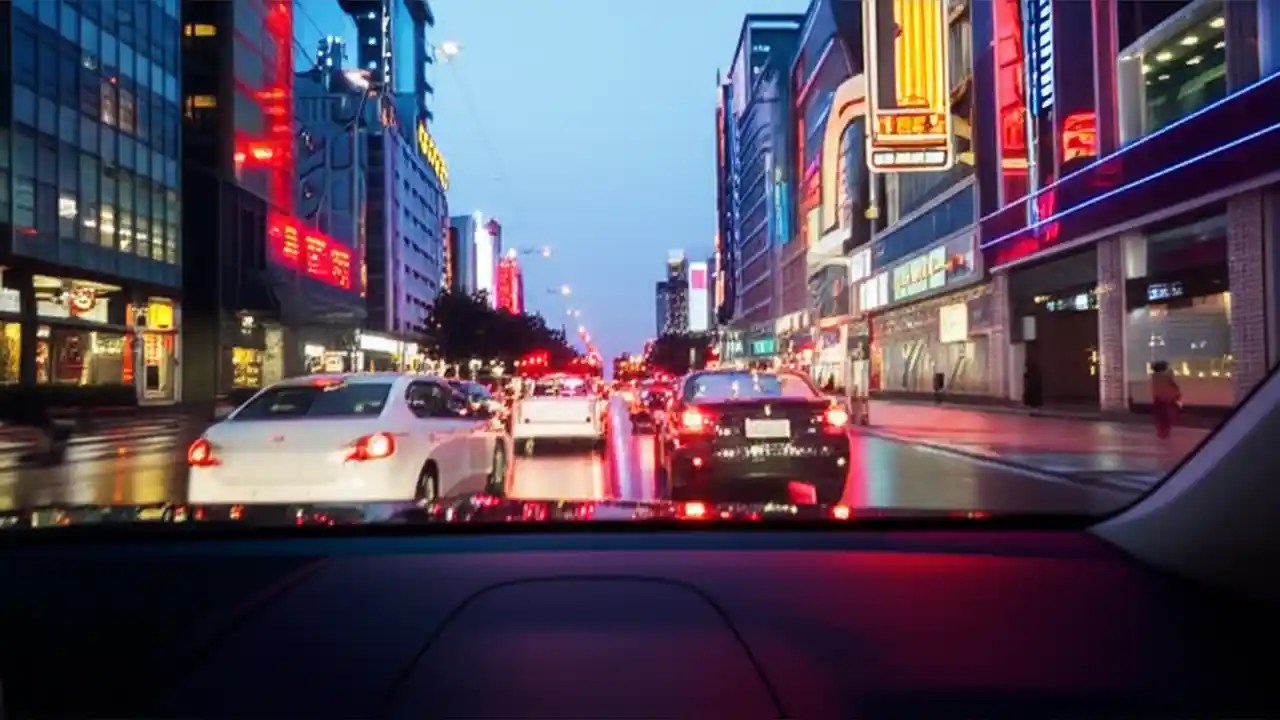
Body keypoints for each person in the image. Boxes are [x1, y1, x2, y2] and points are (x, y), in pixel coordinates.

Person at [1150, 360, 1181, 439]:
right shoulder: (1165, 376)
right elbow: (1173, 383)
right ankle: (1165, 431)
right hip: (1166, 400)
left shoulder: (1154, 376)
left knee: (1160, 417)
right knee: (1167, 416)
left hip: (1157, 399)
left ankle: (1161, 431)